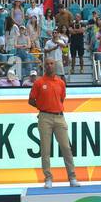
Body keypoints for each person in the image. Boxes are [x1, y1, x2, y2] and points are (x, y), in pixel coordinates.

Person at [29, 57, 79, 187]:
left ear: (55, 65)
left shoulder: (61, 82)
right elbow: (31, 100)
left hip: (59, 117)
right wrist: (42, 107)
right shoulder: (39, 82)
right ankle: (48, 178)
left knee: (66, 147)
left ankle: (72, 177)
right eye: (47, 64)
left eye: (52, 64)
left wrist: (53, 106)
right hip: (45, 117)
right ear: (44, 66)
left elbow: (62, 99)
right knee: (45, 149)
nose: (50, 66)